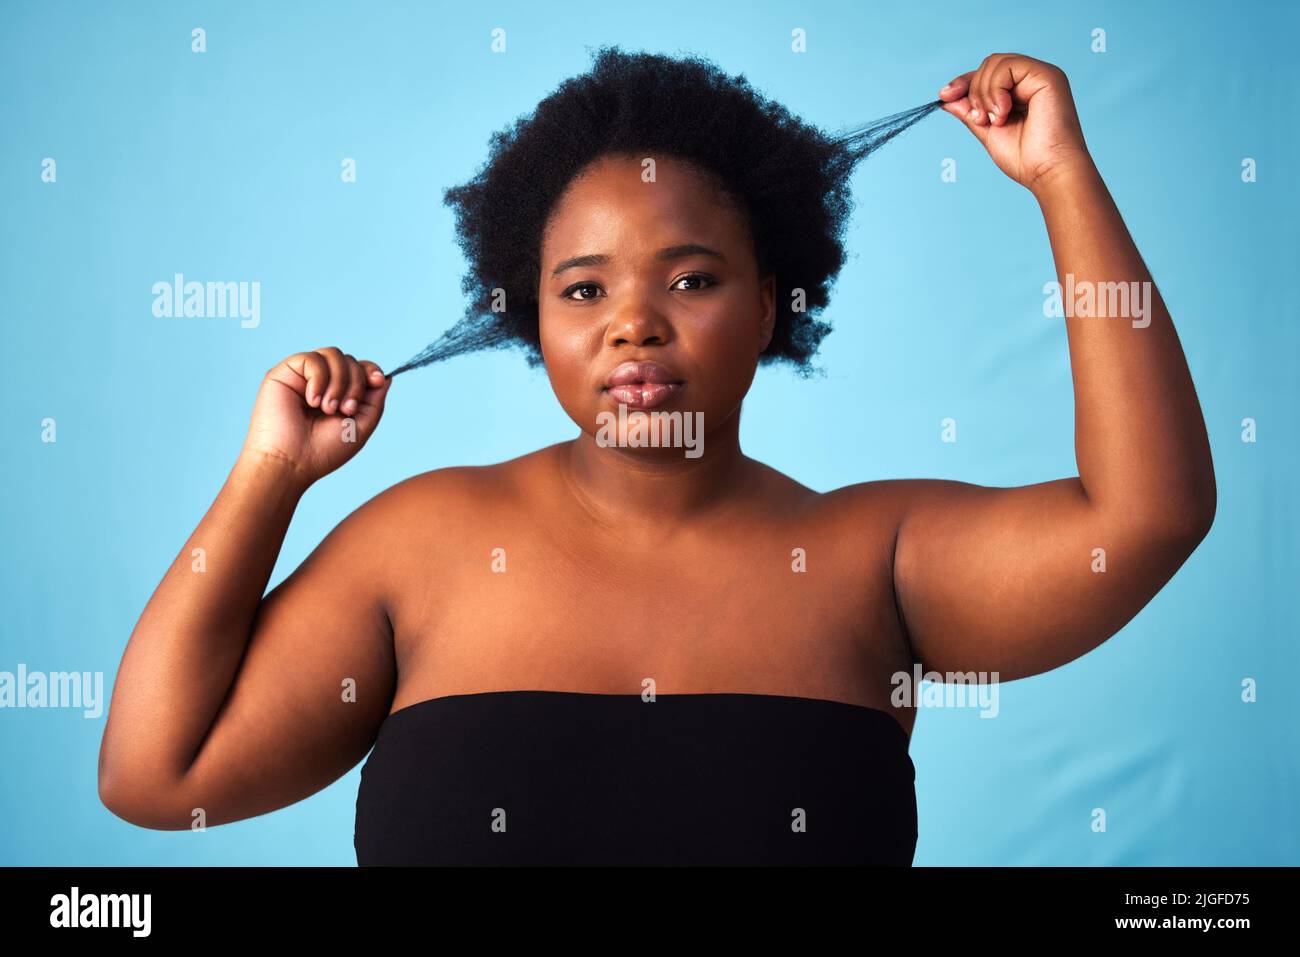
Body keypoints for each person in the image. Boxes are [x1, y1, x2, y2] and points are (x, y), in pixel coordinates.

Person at [98, 49, 1216, 865]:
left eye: (690, 279)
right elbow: (159, 777)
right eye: (582, 290)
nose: (633, 323)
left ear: (772, 308)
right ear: (531, 322)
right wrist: (268, 478)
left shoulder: (871, 558)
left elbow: (1147, 516)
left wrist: (1061, 176)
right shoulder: (420, 542)